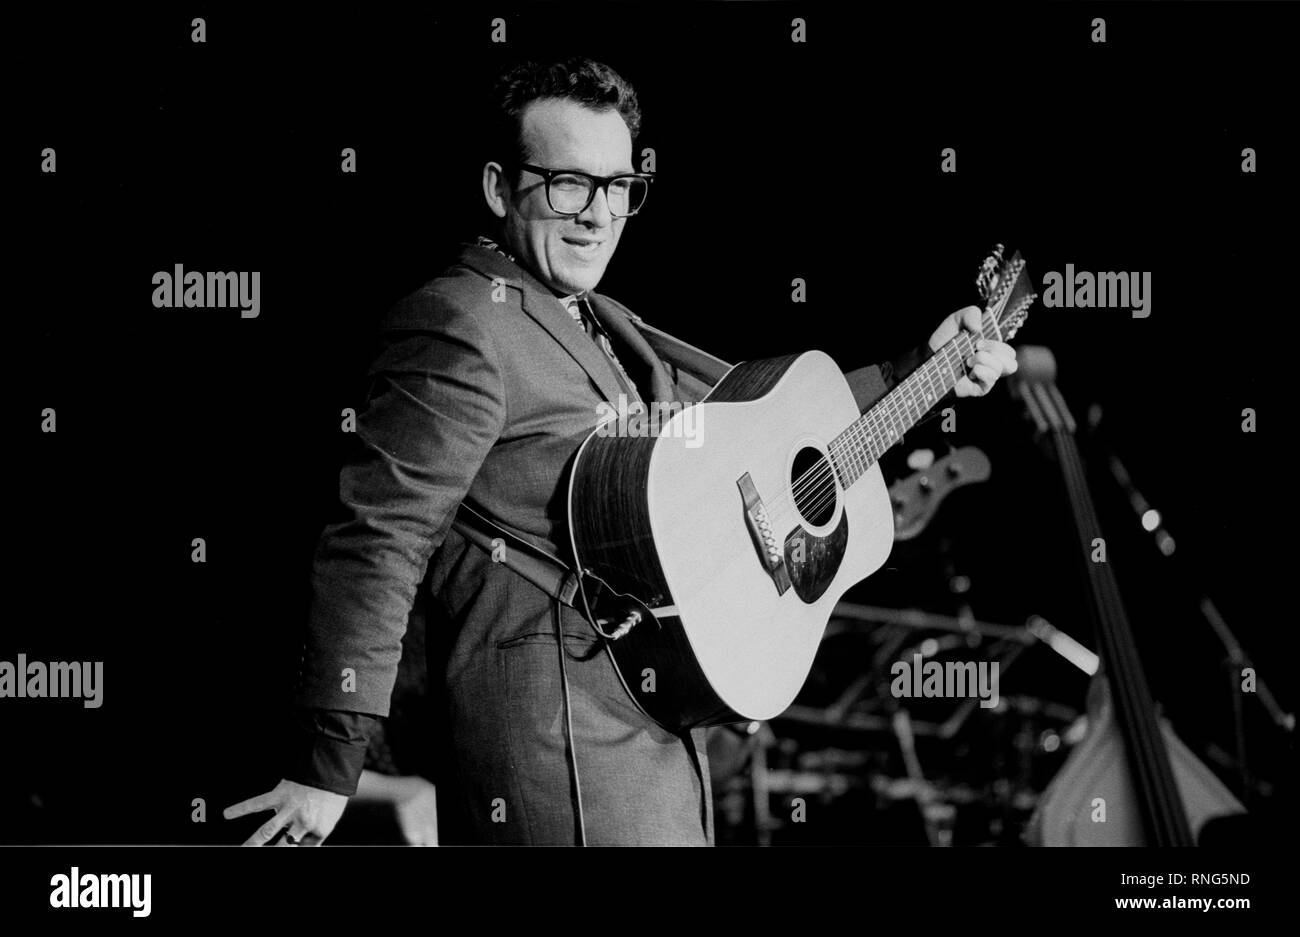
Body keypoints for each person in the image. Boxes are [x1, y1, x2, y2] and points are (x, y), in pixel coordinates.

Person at [224, 56, 1017, 846]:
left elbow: (762, 435)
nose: (597, 214)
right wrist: (328, 761)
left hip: (656, 736)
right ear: (500, 188)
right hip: (556, 753)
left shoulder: (606, 322)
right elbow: (377, 540)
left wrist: (922, 368)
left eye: (618, 187)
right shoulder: (459, 324)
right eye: (567, 183)